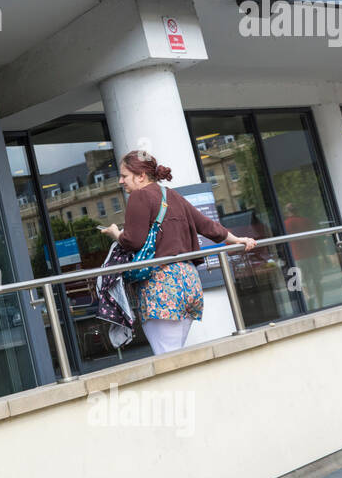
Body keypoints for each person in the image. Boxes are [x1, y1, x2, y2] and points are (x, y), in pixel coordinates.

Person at [98, 149, 257, 355]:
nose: (120, 181)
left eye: (124, 176)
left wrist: (115, 234)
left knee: (168, 359)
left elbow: (133, 241)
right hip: (189, 282)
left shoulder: (139, 196)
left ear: (141, 176)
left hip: (162, 286)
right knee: (176, 353)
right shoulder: (170, 194)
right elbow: (207, 225)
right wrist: (237, 239)